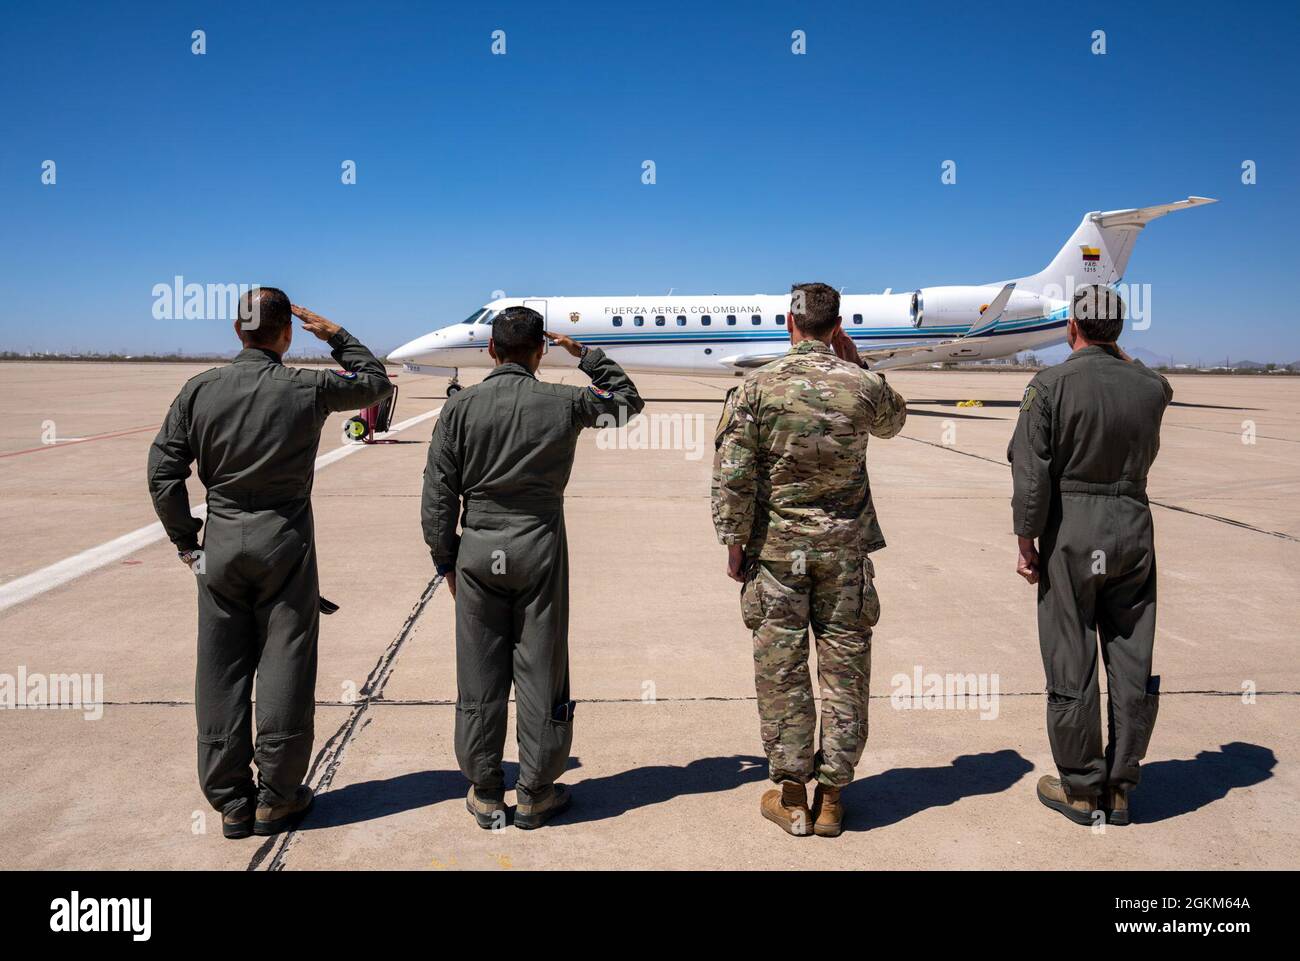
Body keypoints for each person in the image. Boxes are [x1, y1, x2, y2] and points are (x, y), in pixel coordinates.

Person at [147, 289, 392, 839]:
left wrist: (188, 544)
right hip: (284, 540)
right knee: (286, 660)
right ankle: (278, 797)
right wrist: (335, 335)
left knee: (220, 667)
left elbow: (164, 474)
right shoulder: (307, 387)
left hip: (222, 541)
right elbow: (375, 383)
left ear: (238, 332)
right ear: (286, 333)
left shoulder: (200, 389)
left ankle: (232, 800)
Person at [422, 306, 644, 830]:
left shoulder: (460, 409)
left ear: (492, 351)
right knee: (541, 667)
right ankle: (536, 791)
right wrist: (589, 358)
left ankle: (484, 788)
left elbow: (437, 494)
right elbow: (628, 405)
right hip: (539, 546)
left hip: (479, 551)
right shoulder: (565, 401)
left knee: (480, 671)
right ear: (540, 351)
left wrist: (445, 558)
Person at [712, 282, 907, 837]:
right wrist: (857, 361)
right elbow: (894, 421)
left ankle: (792, 795)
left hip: (776, 554)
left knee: (782, 669)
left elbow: (733, 476)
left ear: (789, 322)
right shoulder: (863, 384)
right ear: (837, 324)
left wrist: (734, 544)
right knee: (845, 669)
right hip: (845, 555)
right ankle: (832, 799)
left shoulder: (756, 387)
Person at [1009, 284, 1172, 826]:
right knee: (1130, 654)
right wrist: (1111, 350)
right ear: (1121, 333)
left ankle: (1081, 787)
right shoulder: (1150, 386)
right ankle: (1121, 786)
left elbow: (1031, 473)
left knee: (1071, 654)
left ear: (1070, 328)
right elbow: (1156, 382)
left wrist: (1027, 540)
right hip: (1133, 527)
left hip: (1073, 530)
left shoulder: (1050, 384)